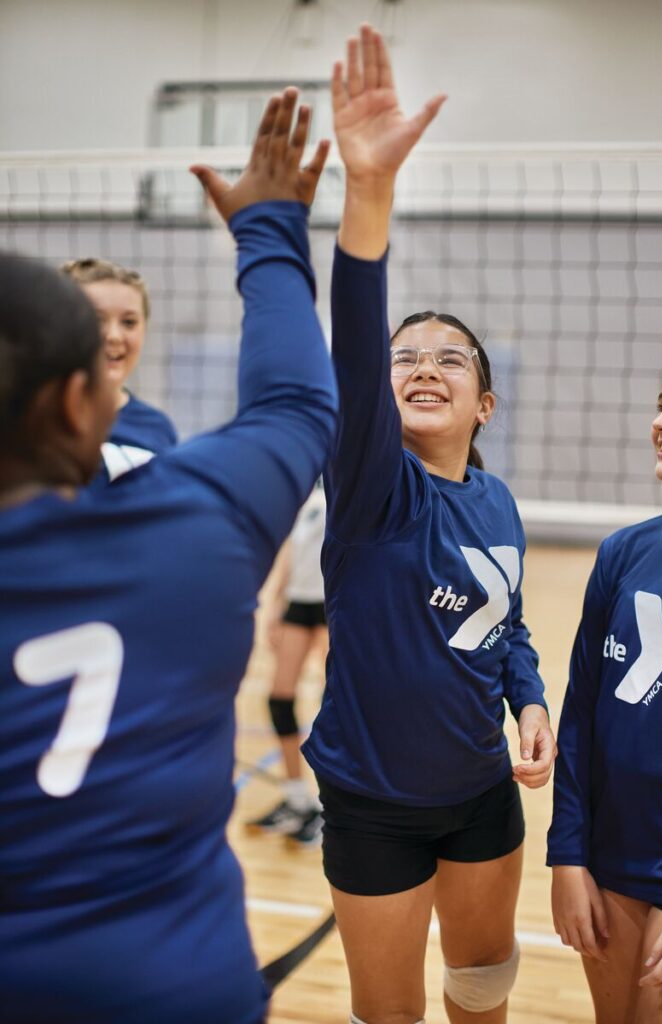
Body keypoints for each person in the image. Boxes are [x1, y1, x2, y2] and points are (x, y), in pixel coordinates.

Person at [0, 89, 336, 1024]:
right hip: (179, 981)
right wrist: (270, 230)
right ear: (74, 403)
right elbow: (297, 407)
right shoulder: (200, 523)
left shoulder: (181, 481)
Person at [301, 26, 556, 1024]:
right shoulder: (372, 484)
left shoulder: (493, 501)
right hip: (371, 805)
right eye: (410, 355)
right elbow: (357, 346)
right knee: (389, 1015)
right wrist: (368, 195)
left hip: (482, 795)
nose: (423, 365)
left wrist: (529, 699)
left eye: (451, 358)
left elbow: (507, 625)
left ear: (484, 403)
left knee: (480, 991)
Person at [548, 352, 662, 1023]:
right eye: (660, 403)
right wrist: (567, 856)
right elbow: (577, 718)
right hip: (610, 859)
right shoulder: (624, 553)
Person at [247, 478, 327, 846]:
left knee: (336, 706)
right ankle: (298, 799)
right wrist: (277, 604)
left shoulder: (347, 491)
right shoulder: (304, 499)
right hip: (299, 602)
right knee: (279, 698)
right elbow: (292, 552)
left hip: (331, 605)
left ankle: (336, 806)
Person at [62, 257, 177, 480]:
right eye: (96, 319)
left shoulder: (156, 427)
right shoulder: (29, 418)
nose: (114, 336)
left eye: (129, 322)